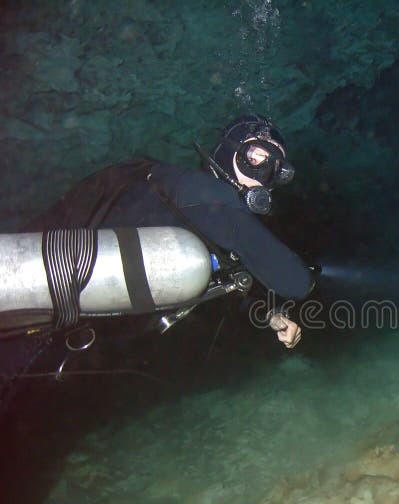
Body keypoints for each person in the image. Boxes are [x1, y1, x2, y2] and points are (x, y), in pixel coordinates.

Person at [21, 114, 312, 349]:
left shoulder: (192, 214)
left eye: (274, 169)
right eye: (257, 156)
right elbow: (295, 282)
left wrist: (270, 314)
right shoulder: (198, 194)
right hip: (32, 304)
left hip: (50, 328)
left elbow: (231, 282)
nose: (264, 175)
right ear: (228, 149)